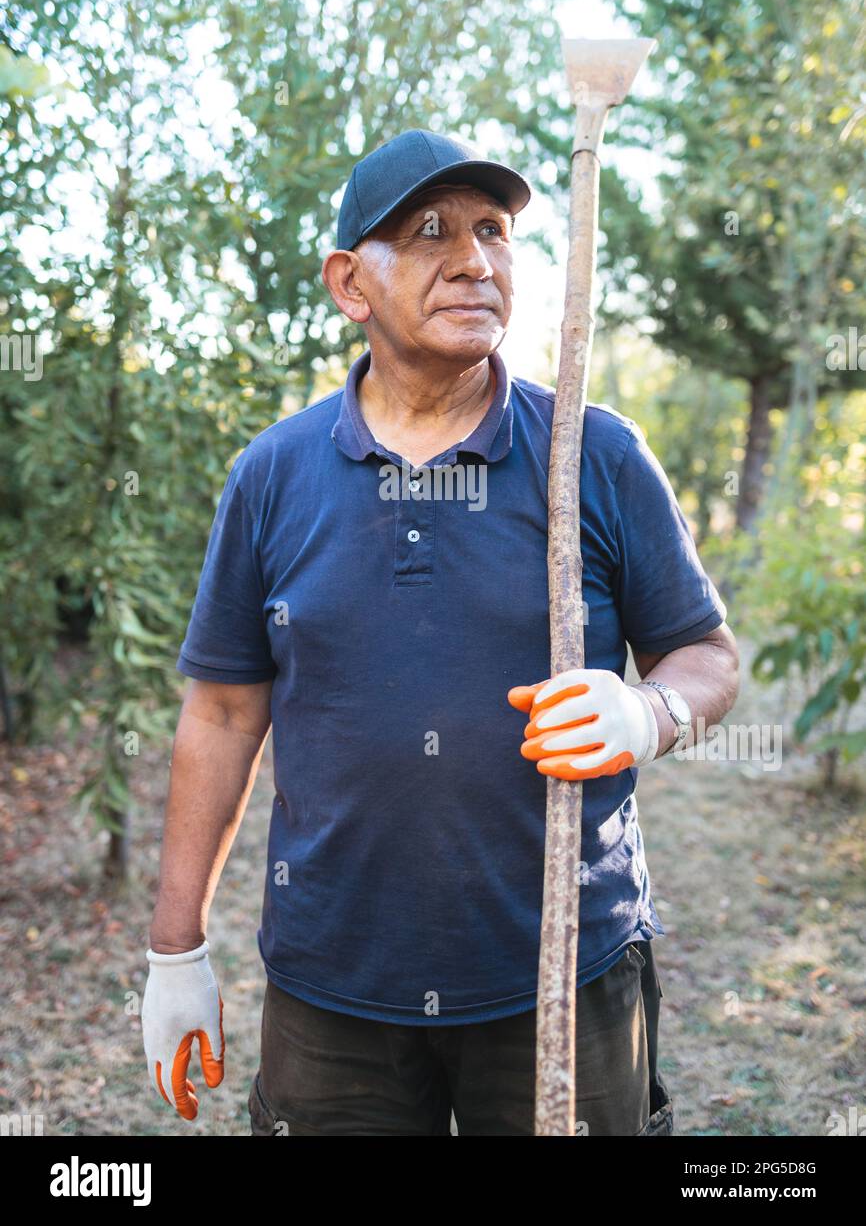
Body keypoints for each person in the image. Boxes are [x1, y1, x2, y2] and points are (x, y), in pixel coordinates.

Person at [141, 128, 739, 1136]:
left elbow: (706, 654)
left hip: (563, 968)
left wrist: (648, 709)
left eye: (493, 231)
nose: (474, 260)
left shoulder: (587, 452)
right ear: (349, 282)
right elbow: (224, 711)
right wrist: (175, 952)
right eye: (427, 232)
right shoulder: (274, 475)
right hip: (332, 988)